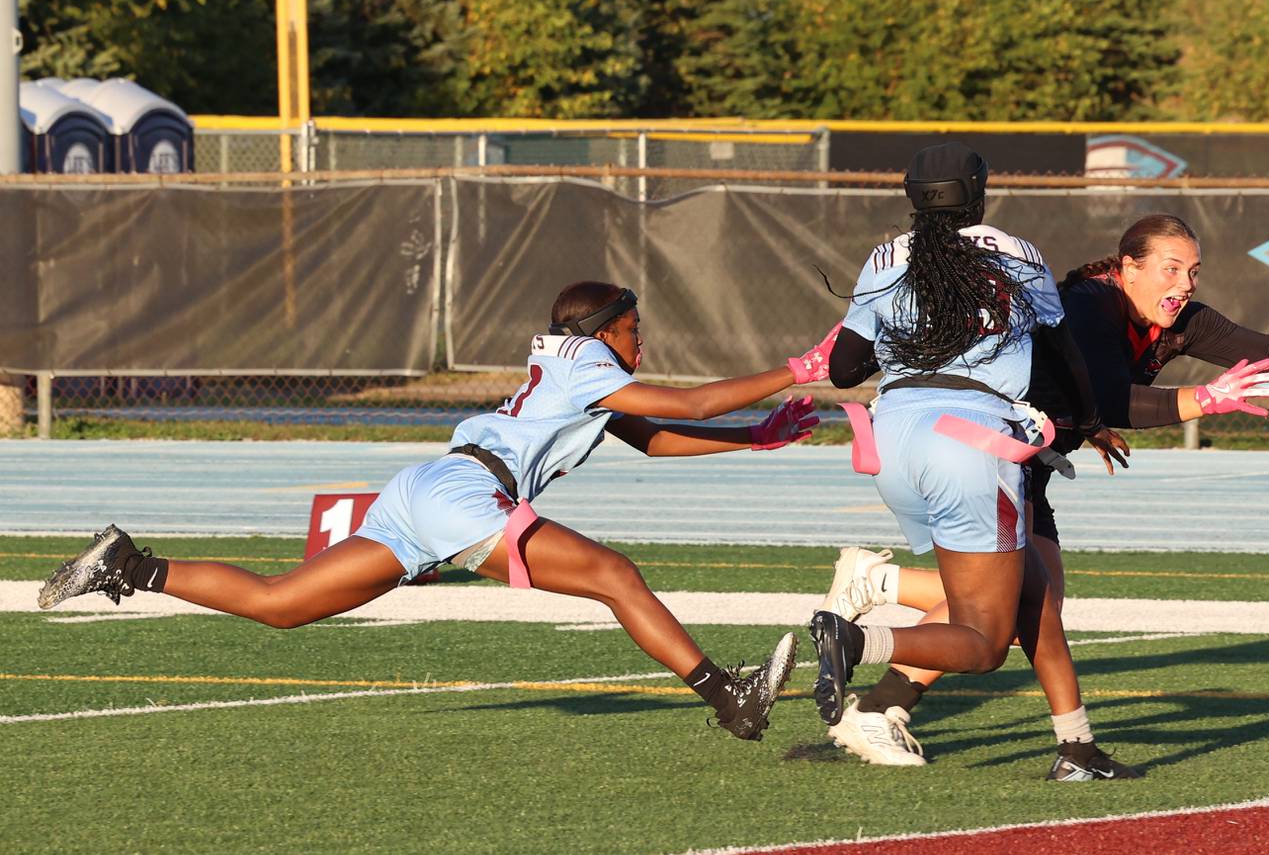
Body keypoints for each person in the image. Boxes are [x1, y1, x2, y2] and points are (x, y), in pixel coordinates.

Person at [38, 281, 842, 743]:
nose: (643, 341)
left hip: (428, 487)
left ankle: (130, 564)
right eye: (636, 328)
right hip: (465, 493)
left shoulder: (576, 372)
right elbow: (688, 398)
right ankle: (728, 698)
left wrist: (755, 437)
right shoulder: (589, 358)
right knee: (614, 575)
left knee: (280, 605)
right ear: (604, 330)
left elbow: (655, 436)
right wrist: (797, 369)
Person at [823, 212, 1269, 769]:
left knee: (1031, 603)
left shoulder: (1174, 320)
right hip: (987, 454)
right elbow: (1109, 395)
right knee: (1014, 607)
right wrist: (1199, 401)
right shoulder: (1090, 306)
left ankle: (885, 689)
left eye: (1193, 271)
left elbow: (1266, 351)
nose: (1185, 283)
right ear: (1127, 268)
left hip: (1020, 456)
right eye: (1170, 268)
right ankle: (883, 637)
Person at [808, 141, 1135, 782]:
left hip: (891, 438)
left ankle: (1078, 748)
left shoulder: (883, 258)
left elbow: (845, 368)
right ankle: (856, 639)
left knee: (1032, 587)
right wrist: (1091, 420)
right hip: (972, 443)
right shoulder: (1016, 254)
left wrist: (916, 348)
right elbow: (1062, 355)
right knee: (983, 641)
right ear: (980, 192)